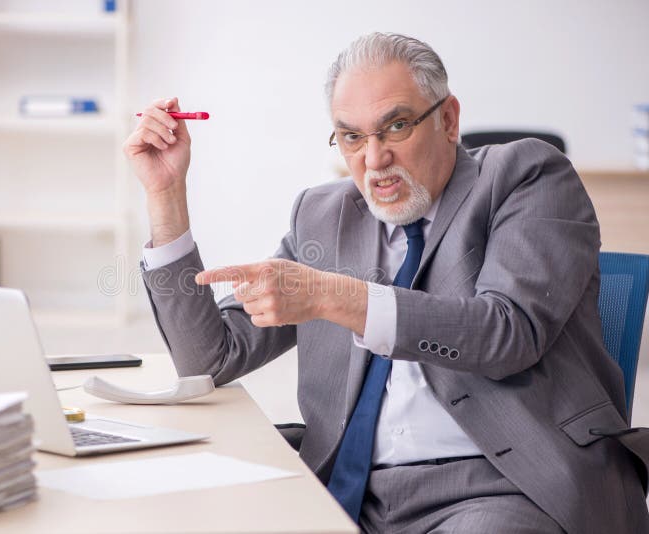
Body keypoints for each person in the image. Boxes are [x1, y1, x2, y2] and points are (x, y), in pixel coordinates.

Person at [124, 32, 649, 533]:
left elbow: (508, 333)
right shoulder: (323, 214)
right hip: (348, 482)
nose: (373, 160)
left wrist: (333, 296)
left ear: (448, 119)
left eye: (395, 126)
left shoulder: (526, 176)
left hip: (502, 486)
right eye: (352, 136)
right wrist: (166, 197)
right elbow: (209, 359)